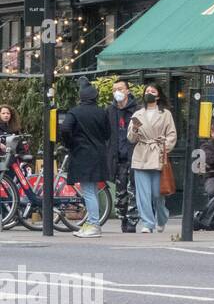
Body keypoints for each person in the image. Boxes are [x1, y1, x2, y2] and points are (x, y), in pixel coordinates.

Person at [126, 82, 177, 234]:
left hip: (158, 155)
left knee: (157, 193)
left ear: (158, 95)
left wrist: (164, 148)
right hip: (141, 154)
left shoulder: (166, 114)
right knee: (143, 194)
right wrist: (134, 129)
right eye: (147, 91)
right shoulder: (137, 114)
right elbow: (130, 138)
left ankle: (161, 217)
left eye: (153, 91)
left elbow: (172, 134)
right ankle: (147, 223)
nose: (149, 93)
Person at [62, 82, 111, 238]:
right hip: (99, 154)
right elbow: (107, 133)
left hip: (82, 154)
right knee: (93, 190)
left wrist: (70, 143)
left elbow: (64, 129)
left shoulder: (75, 112)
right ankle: (90, 222)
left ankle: (94, 225)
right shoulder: (102, 112)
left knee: (88, 191)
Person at [106, 78, 139, 232]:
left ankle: (132, 221)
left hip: (133, 156)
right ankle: (123, 219)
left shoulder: (137, 110)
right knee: (120, 192)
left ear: (128, 90)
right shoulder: (110, 111)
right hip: (117, 157)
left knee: (133, 190)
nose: (117, 92)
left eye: (120, 89)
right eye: (114, 90)